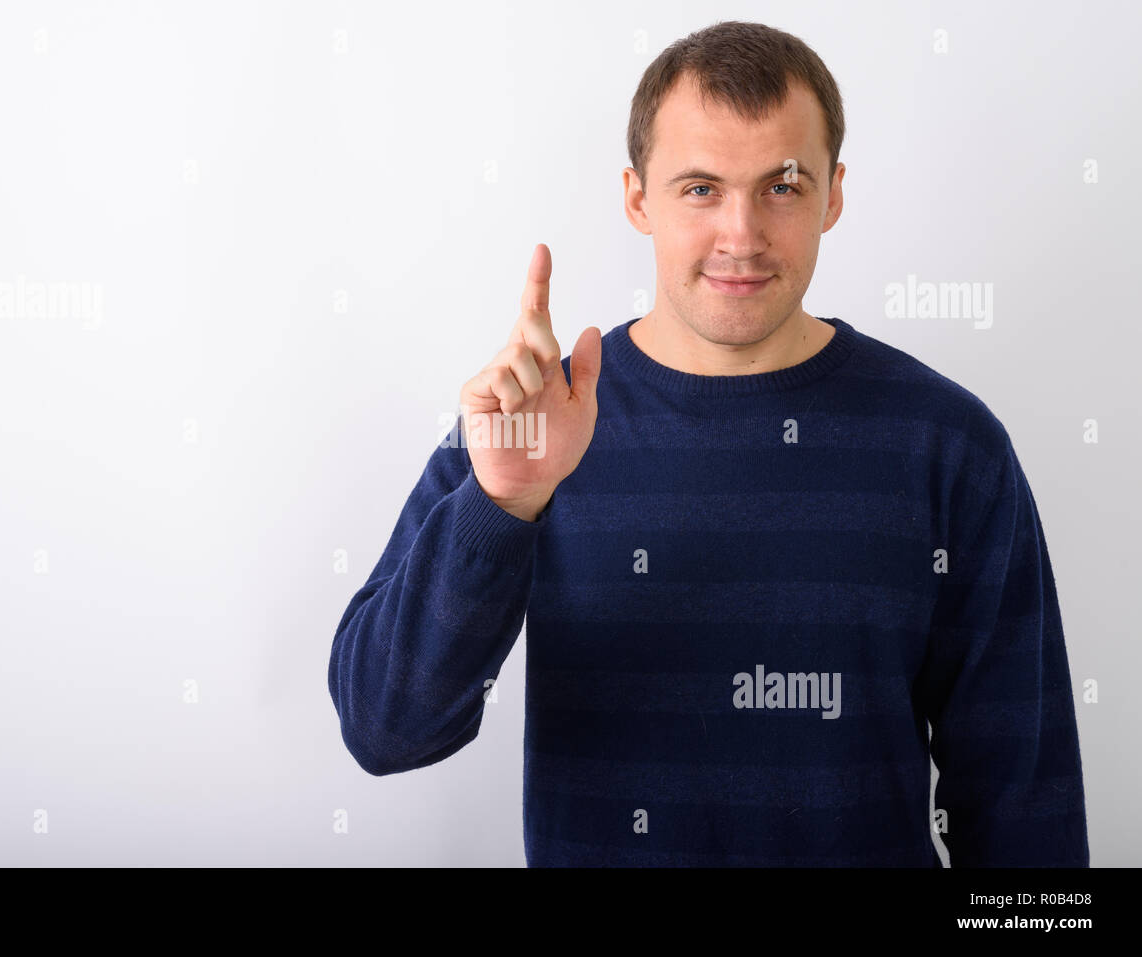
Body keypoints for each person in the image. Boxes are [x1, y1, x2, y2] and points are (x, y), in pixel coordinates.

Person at [328, 20, 1089, 867]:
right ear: (637, 197)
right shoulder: (532, 426)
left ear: (834, 193)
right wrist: (500, 504)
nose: (741, 234)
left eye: (783, 186)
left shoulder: (950, 445)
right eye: (699, 188)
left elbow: (1025, 804)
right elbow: (381, 728)